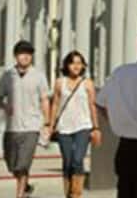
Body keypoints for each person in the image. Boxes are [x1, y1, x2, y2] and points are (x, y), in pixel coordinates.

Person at [97, 35, 137, 198]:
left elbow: (101, 102)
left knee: (125, 189)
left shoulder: (120, 72)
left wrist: (117, 121)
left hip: (124, 145)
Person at [0, 41, 50, 198]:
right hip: (12, 127)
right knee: (12, 165)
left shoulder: (39, 76)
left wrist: (47, 123)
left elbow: (44, 100)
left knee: (23, 164)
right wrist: (4, 106)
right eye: (22, 54)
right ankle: (26, 187)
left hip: (32, 126)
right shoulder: (8, 75)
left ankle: (19, 195)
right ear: (15, 56)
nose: (25, 57)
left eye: (28, 54)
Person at [47, 51, 98, 198]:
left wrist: (96, 127)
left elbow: (92, 105)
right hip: (64, 127)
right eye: (73, 63)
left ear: (83, 66)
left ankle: (76, 194)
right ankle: (68, 193)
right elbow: (55, 104)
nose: (76, 66)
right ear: (67, 65)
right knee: (68, 161)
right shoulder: (59, 82)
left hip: (83, 126)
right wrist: (50, 125)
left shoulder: (87, 83)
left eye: (79, 63)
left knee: (77, 159)